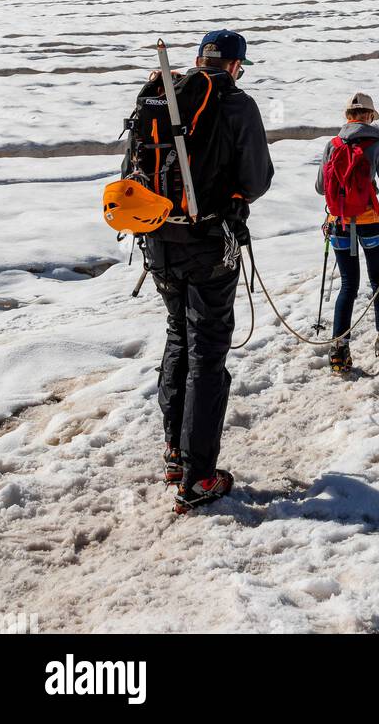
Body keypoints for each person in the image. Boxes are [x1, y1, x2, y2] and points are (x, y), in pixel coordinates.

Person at [134, 30, 274, 513]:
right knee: (207, 352)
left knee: (178, 336)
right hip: (210, 243)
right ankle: (198, 477)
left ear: (199, 59)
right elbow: (257, 180)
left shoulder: (162, 96)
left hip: (156, 239)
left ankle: (175, 453)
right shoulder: (237, 105)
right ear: (235, 65)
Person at [316, 92, 379, 375]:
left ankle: (339, 350)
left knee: (348, 284)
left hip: (339, 222)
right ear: (369, 116)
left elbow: (321, 187)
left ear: (347, 115)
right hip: (370, 221)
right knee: (378, 280)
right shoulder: (375, 145)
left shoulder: (332, 145)